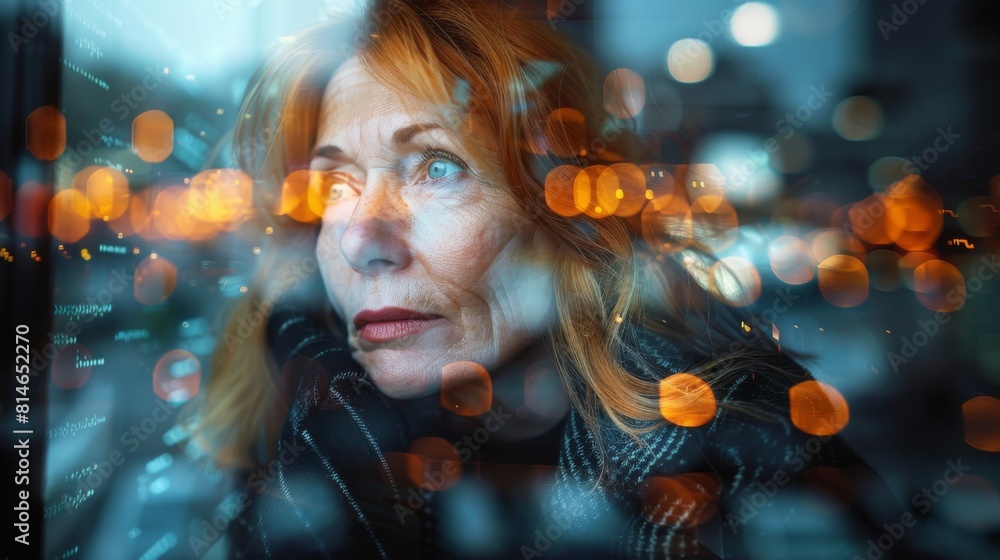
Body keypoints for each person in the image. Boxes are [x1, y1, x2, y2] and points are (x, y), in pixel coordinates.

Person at [187, 1, 911, 558]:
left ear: (562, 218)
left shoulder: (739, 456)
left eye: (437, 167)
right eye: (335, 183)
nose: (360, 238)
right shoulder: (293, 419)